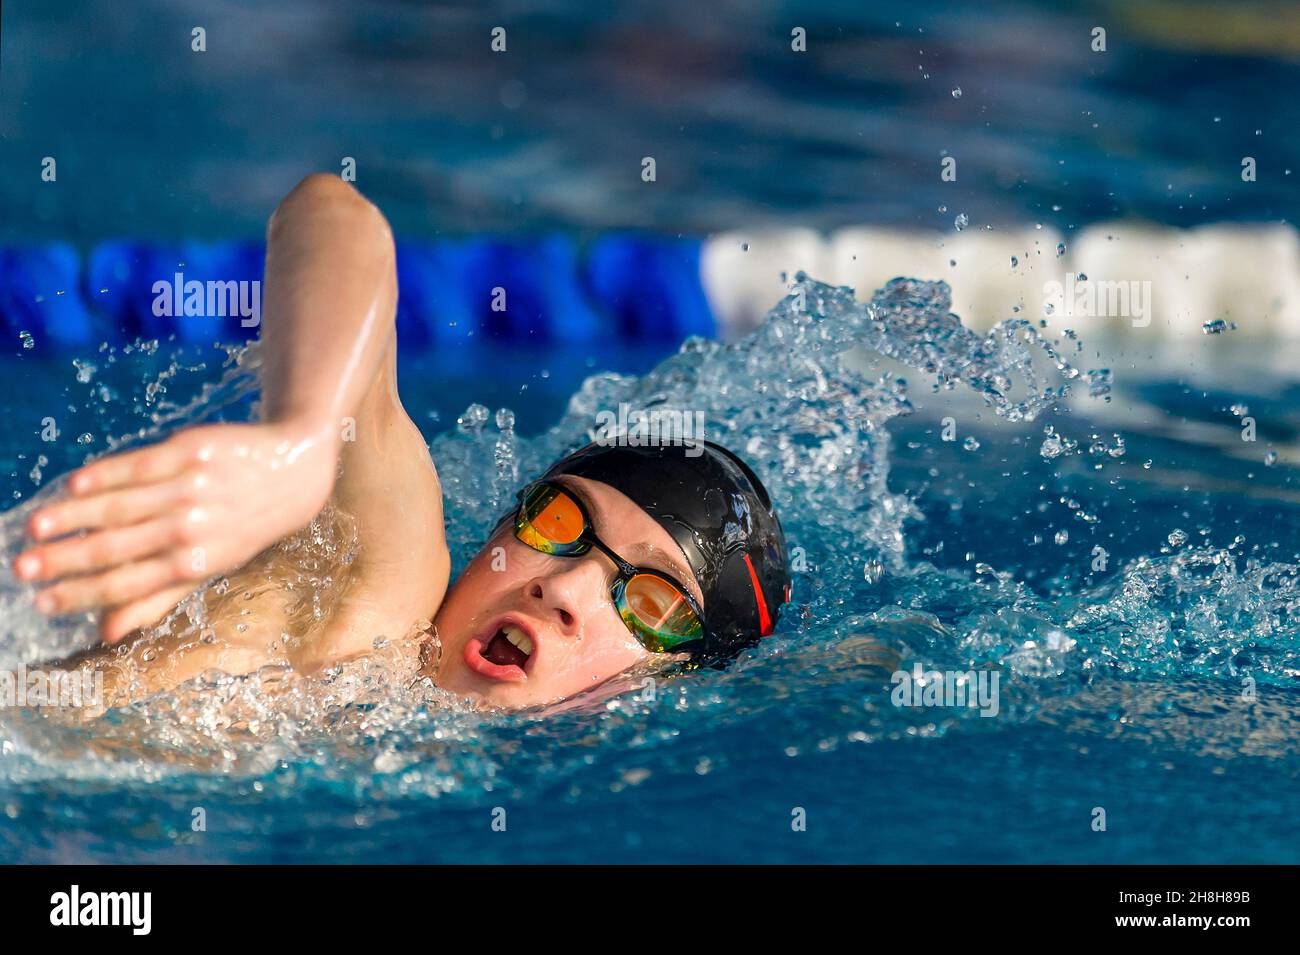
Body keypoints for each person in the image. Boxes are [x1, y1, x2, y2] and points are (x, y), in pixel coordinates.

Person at [13, 175, 789, 709]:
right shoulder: (379, 595)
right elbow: (334, 213)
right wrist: (306, 439)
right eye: (558, 522)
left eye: (650, 601)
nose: (562, 587)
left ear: (674, 682)